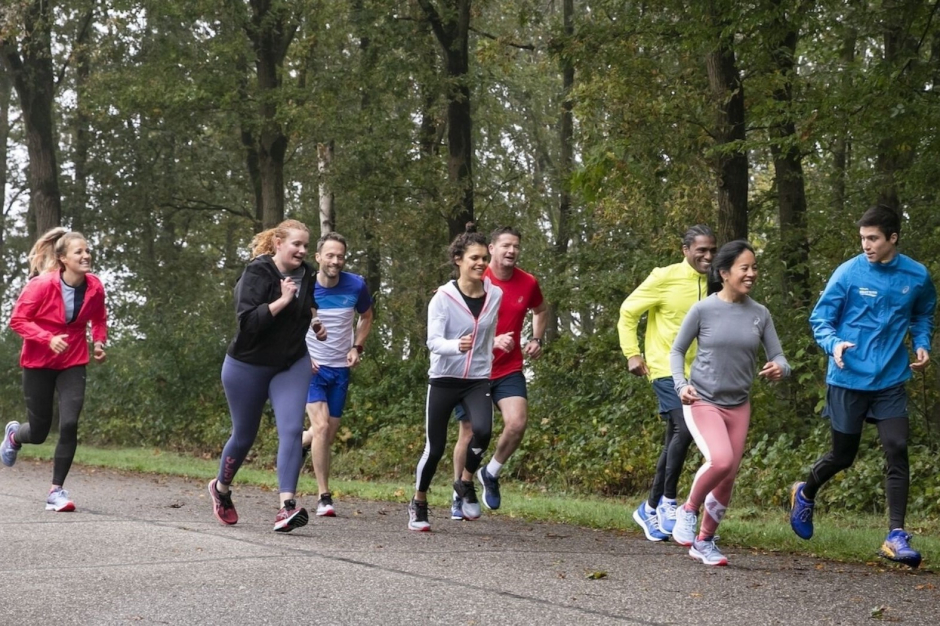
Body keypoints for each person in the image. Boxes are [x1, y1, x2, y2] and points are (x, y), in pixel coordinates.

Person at [788, 206, 936, 568]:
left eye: (873, 238)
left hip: (890, 377)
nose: (866, 245)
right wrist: (833, 343)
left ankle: (895, 535)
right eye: (863, 239)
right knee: (843, 456)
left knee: (897, 447)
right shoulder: (849, 272)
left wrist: (922, 341)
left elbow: (922, 312)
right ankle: (804, 493)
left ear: (893, 238)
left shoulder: (916, 276)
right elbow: (820, 318)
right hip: (848, 376)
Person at [670, 240, 790, 566]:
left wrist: (781, 367)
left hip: (738, 404)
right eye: (744, 268)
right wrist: (681, 385)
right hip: (702, 399)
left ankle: (705, 541)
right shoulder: (703, 310)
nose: (752, 274)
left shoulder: (760, 314)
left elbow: (778, 355)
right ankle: (688, 509)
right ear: (724, 273)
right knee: (721, 460)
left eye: (754, 267)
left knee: (729, 475)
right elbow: (677, 350)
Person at [207, 219, 327, 533]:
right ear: (277, 244)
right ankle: (221, 488)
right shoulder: (257, 273)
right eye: (296, 244)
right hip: (247, 365)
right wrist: (283, 300)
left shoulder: (308, 274)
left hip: (291, 363)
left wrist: (315, 324)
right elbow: (248, 321)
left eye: (305, 245)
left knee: (291, 429)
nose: (302, 250)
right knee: (244, 435)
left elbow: (310, 304)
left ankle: (287, 507)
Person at [617, 225, 716, 541]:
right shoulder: (664, 277)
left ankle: (648, 508)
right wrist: (632, 353)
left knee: (675, 437)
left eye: (712, 250)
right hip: (663, 367)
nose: (708, 256)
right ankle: (668, 503)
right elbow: (628, 312)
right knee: (684, 429)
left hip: (699, 374)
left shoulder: (716, 281)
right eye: (701, 250)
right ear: (685, 250)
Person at [1, 228, 108, 512]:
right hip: (38, 362)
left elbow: (98, 316)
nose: (86, 256)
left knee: (70, 422)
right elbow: (18, 320)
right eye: (79, 252)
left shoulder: (95, 286)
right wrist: (47, 338)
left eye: (87, 251)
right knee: (38, 432)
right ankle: (14, 435)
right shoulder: (41, 285)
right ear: (62, 258)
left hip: (73, 360)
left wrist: (99, 342)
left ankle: (56, 490)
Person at [408, 224, 507, 532]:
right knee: (434, 448)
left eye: (483, 258)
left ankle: (465, 482)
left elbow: (485, 333)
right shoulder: (442, 298)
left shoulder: (496, 295)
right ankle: (419, 502)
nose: (480, 264)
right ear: (458, 260)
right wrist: (456, 346)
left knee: (483, 431)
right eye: (473, 258)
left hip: (477, 378)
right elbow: (433, 342)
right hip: (443, 378)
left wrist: (489, 347)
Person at [450, 226, 546, 520]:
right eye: (505, 245)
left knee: (517, 423)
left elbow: (541, 310)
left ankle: (490, 472)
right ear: (491, 248)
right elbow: (455, 326)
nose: (511, 251)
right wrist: (491, 341)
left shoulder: (528, 282)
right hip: (472, 370)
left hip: (509, 367)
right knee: (468, 432)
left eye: (515, 246)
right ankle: (458, 494)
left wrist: (536, 339)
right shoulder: (476, 279)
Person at [300, 232, 374, 517]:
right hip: (312, 368)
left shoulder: (356, 285)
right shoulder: (304, 287)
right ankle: (324, 496)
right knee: (321, 428)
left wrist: (357, 346)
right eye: (329, 255)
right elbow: (289, 325)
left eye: (340, 256)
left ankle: (300, 442)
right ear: (318, 257)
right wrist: (303, 357)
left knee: (326, 436)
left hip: (340, 370)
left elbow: (366, 317)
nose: (335, 260)